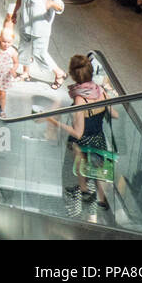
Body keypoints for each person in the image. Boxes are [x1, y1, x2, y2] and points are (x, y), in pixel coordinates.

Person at [45, 54, 116, 212]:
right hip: (99, 138)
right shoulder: (100, 91)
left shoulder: (80, 99)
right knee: (98, 166)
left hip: (83, 142)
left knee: (77, 153)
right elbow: (115, 114)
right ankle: (102, 200)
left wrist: (54, 122)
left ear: (72, 75)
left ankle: (82, 191)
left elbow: (78, 133)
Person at [11, 0, 66, 87]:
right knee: (23, 49)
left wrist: (51, 3)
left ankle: (59, 73)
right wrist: (14, 12)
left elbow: (61, 6)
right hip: (25, 22)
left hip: (40, 26)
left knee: (40, 53)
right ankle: (25, 73)